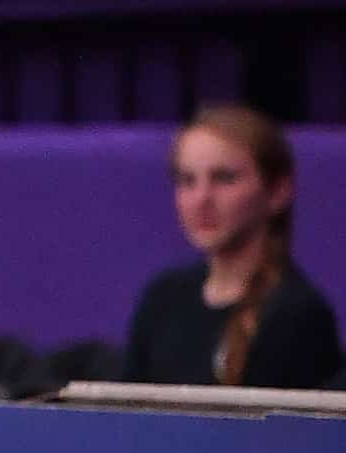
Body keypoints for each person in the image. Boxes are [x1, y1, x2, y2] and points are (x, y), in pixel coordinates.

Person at [124, 103, 341, 389]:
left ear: (277, 191)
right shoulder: (163, 297)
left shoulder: (297, 313)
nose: (202, 199)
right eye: (187, 180)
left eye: (224, 178)